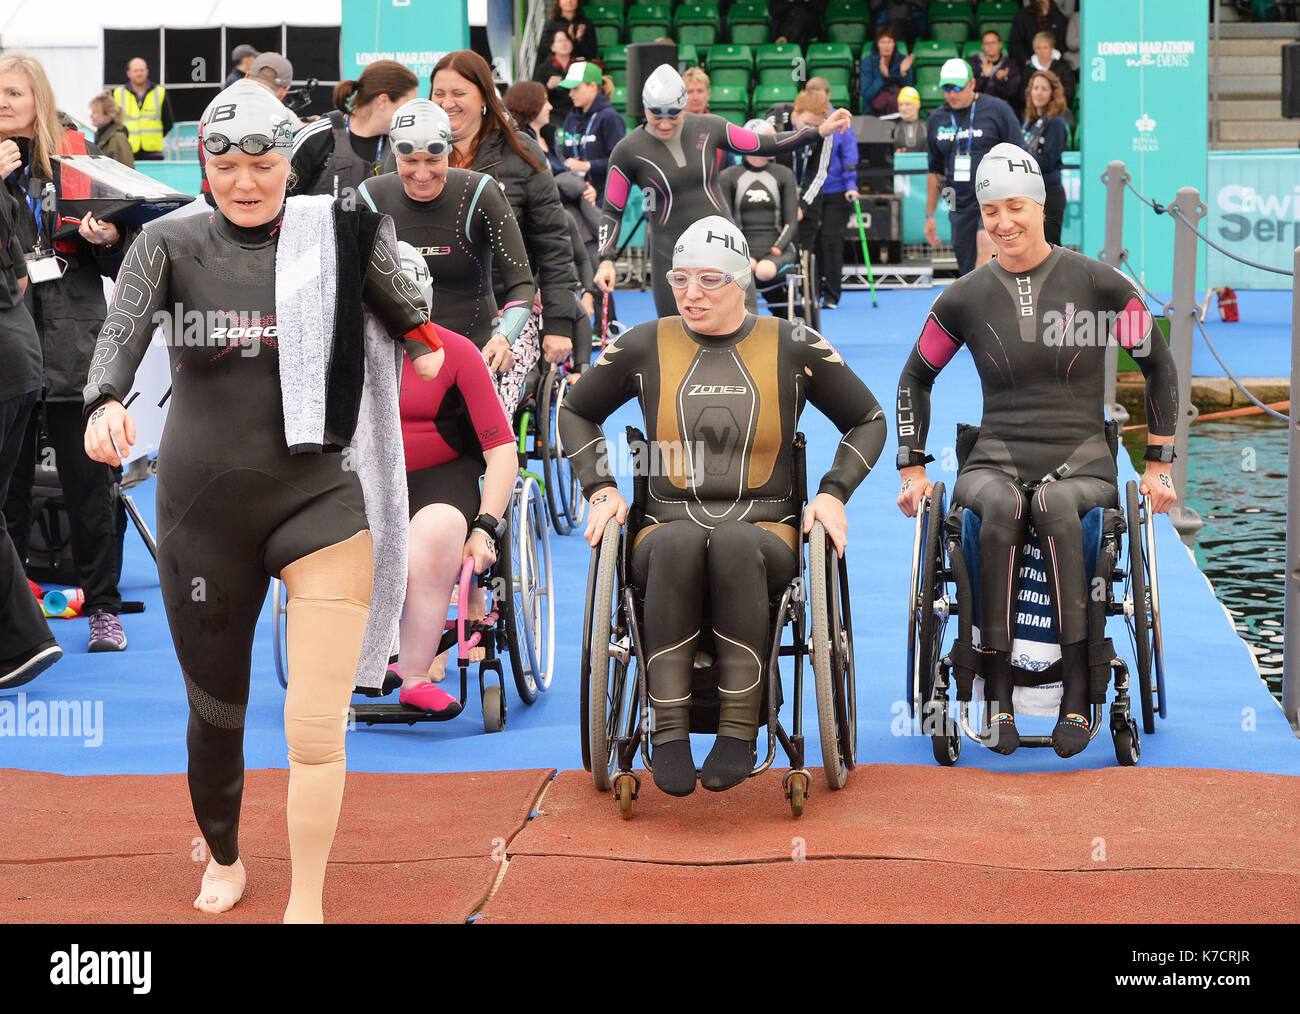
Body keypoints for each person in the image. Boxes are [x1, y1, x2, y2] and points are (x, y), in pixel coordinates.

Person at [82, 82, 447, 921]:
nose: (246, 182)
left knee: (316, 726)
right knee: (217, 716)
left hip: (320, 497)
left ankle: (309, 897)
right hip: (202, 512)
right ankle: (226, 854)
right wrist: (106, 401)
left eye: (265, 163)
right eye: (228, 164)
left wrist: (349, 219)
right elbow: (123, 332)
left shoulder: (332, 231)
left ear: (290, 162)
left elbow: (412, 306)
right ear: (203, 165)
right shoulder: (166, 244)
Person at [559, 216, 886, 795]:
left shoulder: (793, 344)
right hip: (665, 524)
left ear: (741, 281)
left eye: (709, 280)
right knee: (683, 540)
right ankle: (669, 731)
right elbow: (574, 410)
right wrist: (600, 487)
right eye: (679, 278)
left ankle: (740, 731)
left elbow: (868, 419)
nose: (690, 294)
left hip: (768, 527)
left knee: (733, 541)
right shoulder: (642, 343)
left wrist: (834, 495)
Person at [895, 144, 1180, 759]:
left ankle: (1079, 690)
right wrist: (912, 466)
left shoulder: (1098, 283)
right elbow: (915, 375)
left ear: (1041, 206)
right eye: (990, 210)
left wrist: (1159, 465)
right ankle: (995, 692)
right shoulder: (965, 297)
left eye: (1015, 207)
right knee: (996, 505)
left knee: (1052, 503)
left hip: (1081, 459)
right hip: (993, 457)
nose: (1003, 222)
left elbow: (1158, 365)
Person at [0, 52, 133, 653]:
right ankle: (17, 615)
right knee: (11, 490)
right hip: (10, 346)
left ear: (39, 103)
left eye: (14, 94)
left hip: (75, 340)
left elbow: (115, 257)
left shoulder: (75, 163)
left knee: (88, 484)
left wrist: (107, 237)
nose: (3, 103)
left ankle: (103, 606)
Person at [593, 65, 851, 316]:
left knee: (742, 330)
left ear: (683, 105)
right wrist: (606, 259)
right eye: (655, 114)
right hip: (670, 253)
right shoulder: (627, 150)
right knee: (678, 340)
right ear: (644, 108)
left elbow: (764, 144)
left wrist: (818, 131)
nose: (664, 122)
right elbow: (611, 210)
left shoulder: (707, 126)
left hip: (722, 247)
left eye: (673, 113)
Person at [357, 100, 537, 416]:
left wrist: (502, 339)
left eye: (434, 159)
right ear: (395, 154)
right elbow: (352, 284)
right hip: (399, 356)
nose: (422, 173)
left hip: (473, 353)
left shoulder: (480, 192)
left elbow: (522, 283)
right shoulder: (371, 196)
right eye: (409, 160)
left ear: (449, 152)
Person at [432, 49, 581, 374]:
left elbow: (553, 244)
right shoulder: (410, 153)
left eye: (459, 93)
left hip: (506, 312)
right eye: (439, 93)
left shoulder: (521, 152)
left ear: (485, 96)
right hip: (427, 314)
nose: (447, 103)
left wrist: (558, 323)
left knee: (485, 392)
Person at [0, 182, 60, 690]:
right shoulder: (6, 197)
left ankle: (24, 642)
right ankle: (20, 646)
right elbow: (20, 280)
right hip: (21, 361)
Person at [923, 59, 1026, 277]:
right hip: (959, 202)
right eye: (947, 88)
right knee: (967, 266)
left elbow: (1021, 155)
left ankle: (988, 306)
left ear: (971, 83)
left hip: (994, 197)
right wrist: (929, 216)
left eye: (957, 87)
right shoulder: (936, 119)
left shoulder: (997, 109)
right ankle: (978, 306)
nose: (952, 94)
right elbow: (934, 170)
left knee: (986, 249)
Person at [289, 59, 417, 198]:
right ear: (383, 101)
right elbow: (280, 201)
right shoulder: (316, 137)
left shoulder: (403, 145)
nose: (410, 114)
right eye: (407, 105)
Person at [719, 119, 800, 303]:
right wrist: (740, 251)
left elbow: (791, 220)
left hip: (778, 249)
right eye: (769, 140)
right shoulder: (729, 176)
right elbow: (726, 220)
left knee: (765, 270)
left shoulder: (784, 174)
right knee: (747, 268)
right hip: (743, 249)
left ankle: (782, 317)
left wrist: (778, 248)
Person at [558, 61, 626, 204]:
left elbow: (620, 163)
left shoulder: (610, 118)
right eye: (569, 89)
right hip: (575, 193)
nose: (570, 94)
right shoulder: (571, 118)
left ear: (593, 86)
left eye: (576, 88)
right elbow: (565, 154)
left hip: (604, 197)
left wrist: (587, 165)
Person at [1023, 70, 1070, 247]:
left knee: (1050, 251)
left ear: (1052, 93)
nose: (1038, 92)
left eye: (1044, 88)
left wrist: (1022, 161)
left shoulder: (1056, 122)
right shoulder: (1030, 121)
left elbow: (1048, 160)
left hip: (1049, 194)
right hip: (1032, 194)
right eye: (1035, 88)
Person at [817, 107, 858, 310]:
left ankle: (832, 294)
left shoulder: (841, 121)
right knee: (813, 242)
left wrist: (851, 186)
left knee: (831, 241)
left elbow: (850, 156)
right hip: (812, 191)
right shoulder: (809, 119)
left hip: (836, 191)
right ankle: (813, 291)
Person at [112, 58, 173, 161]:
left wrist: (153, 138)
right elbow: (113, 122)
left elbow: (168, 121)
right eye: (136, 71)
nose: (139, 73)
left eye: (142, 70)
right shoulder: (118, 93)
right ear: (129, 73)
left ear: (147, 72)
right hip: (127, 150)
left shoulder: (160, 92)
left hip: (154, 152)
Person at [860, 26, 915, 116]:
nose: (886, 46)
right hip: (873, 113)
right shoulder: (868, 62)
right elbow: (867, 96)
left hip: (899, 111)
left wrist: (903, 74)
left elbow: (910, 95)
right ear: (877, 44)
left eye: (890, 42)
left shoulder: (902, 61)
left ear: (894, 44)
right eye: (883, 42)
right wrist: (883, 78)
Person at [1010, 0, 1071, 71]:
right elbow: (1015, 44)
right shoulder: (1022, 16)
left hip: (1054, 67)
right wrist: (1028, 61)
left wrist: (1053, 63)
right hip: (1029, 67)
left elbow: (1062, 45)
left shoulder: (1059, 17)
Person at [534, 29, 577, 130]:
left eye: (567, 40)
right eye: (560, 41)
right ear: (552, 47)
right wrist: (548, 88)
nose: (564, 43)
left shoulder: (578, 67)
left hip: (575, 111)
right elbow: (536, 96)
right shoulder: (543, 69)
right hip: (554, 113)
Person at [1023, 30, 1076, 108]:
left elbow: (1069, 92)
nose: (1042, 51)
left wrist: (1051, 100)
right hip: (1034, 109)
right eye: (1038, 48)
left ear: (1052, 49)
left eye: (1045, 47)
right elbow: (1023, 93)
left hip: (1058, 108)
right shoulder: (1029, 69)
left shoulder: (1063, 66)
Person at [537, 0, 599, 65]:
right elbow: (545, 51)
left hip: (580, 67)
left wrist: (579, 40)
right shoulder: (551, 25)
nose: (569, 1)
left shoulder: (586, 24)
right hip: (557, 68)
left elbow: (592, 54)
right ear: (559, 2)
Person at [970, 28, 1021, 105]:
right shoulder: (974, 63)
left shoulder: (1010, 64)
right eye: (987, 43)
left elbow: (1012, 93)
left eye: (993, 42)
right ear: (982, 46)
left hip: (1002, 107)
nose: (990, 46)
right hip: (979, 106)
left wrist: (1001, 81)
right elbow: (970, 90)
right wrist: (984, 76)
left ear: (1000, 44)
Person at [89, 92, 134, 168]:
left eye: (95, 112)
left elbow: (127, 170)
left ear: (108, 114)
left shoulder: (117, 138)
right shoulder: (102, 136)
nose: (91, 116)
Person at [892, 86, 927, 153]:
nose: (903, 108)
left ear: (918, 105)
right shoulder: (894, 128)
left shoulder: (926, 127)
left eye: (907, 104)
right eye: (900, 104)